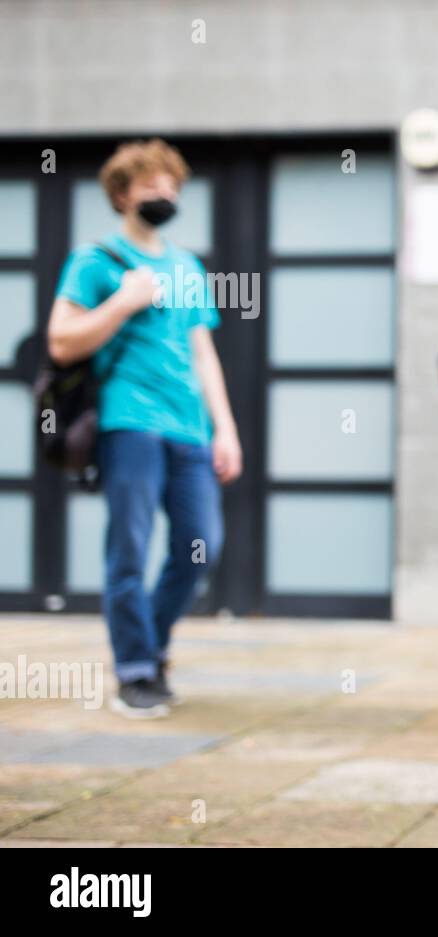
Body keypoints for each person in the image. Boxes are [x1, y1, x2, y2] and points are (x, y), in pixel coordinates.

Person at [47, 138, 242, 719]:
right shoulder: (95, 261)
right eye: (152, 184)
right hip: (128, 421)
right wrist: (123, 303)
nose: (165, 193)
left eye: (172, 185)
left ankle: (149, 646)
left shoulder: (187, 266)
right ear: (121, 193)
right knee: (128, 547)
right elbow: (61, 341)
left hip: (190, 429)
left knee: (199, 546)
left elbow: (203, 352)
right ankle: (134, 671)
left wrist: (225, 429)